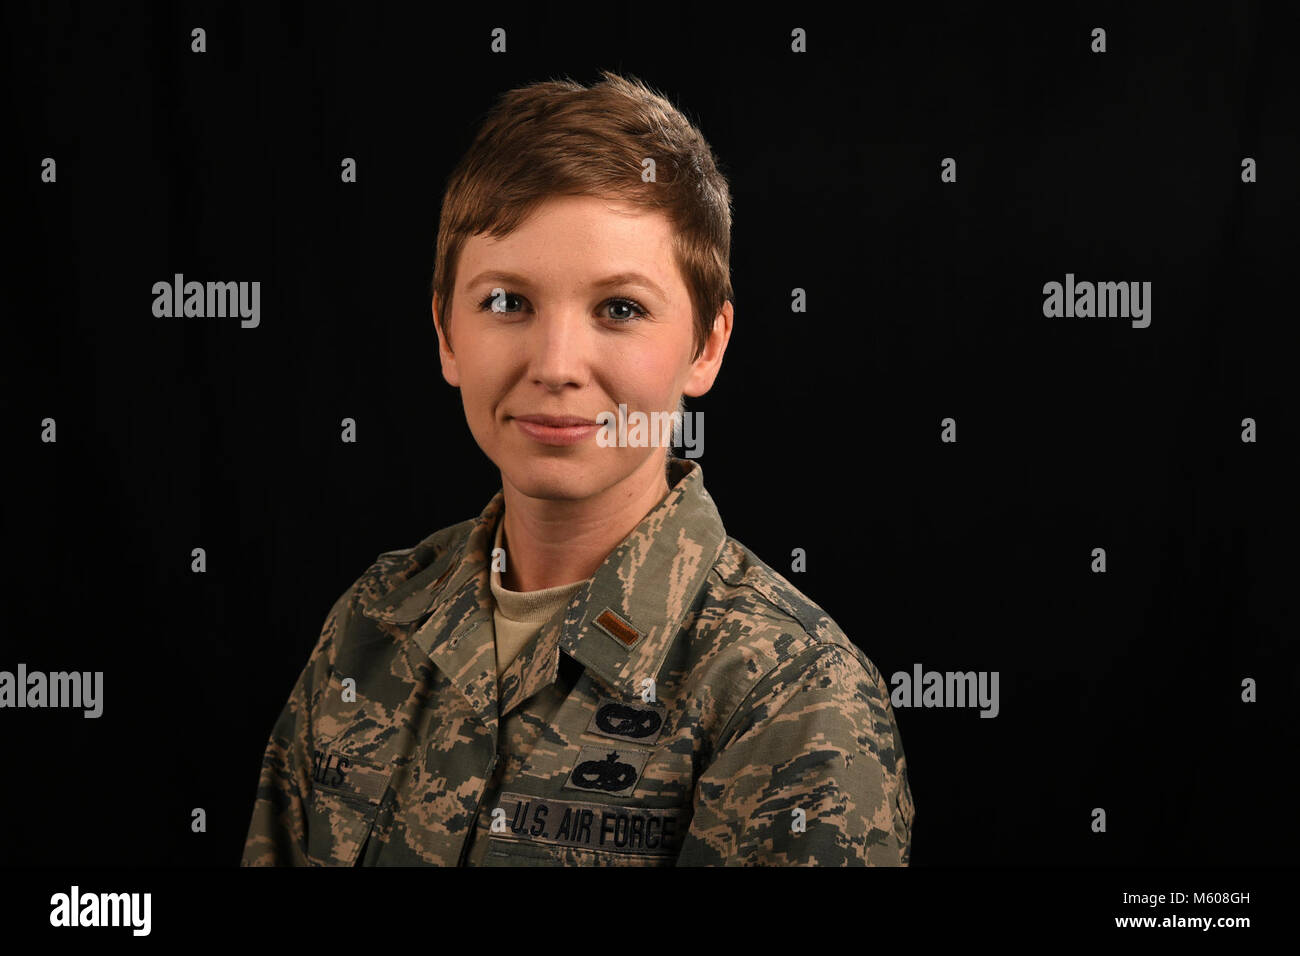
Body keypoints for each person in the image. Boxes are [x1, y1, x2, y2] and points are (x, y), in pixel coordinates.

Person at [241, 70, 915, 866]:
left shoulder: (791, 698)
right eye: (506, 303)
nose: (556, 365)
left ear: (707, 345)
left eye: (619, 309)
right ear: (446, 332)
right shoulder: (372, 627)